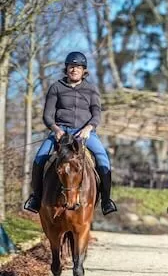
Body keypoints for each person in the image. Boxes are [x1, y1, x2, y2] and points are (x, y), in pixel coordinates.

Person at [23, 51, 117, 216]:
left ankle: (106, 201)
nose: (74, 70)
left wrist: (89, 128)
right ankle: (36, 198)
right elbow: (47, 115)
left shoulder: (91, 89)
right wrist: (56, 129)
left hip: (84, 133)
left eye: (78, 67)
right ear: (66, 68)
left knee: (103, 159)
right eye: (71, 66)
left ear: (84, 70)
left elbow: (96, 114)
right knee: (39, 158)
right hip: (61, 131)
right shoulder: (56, 87)